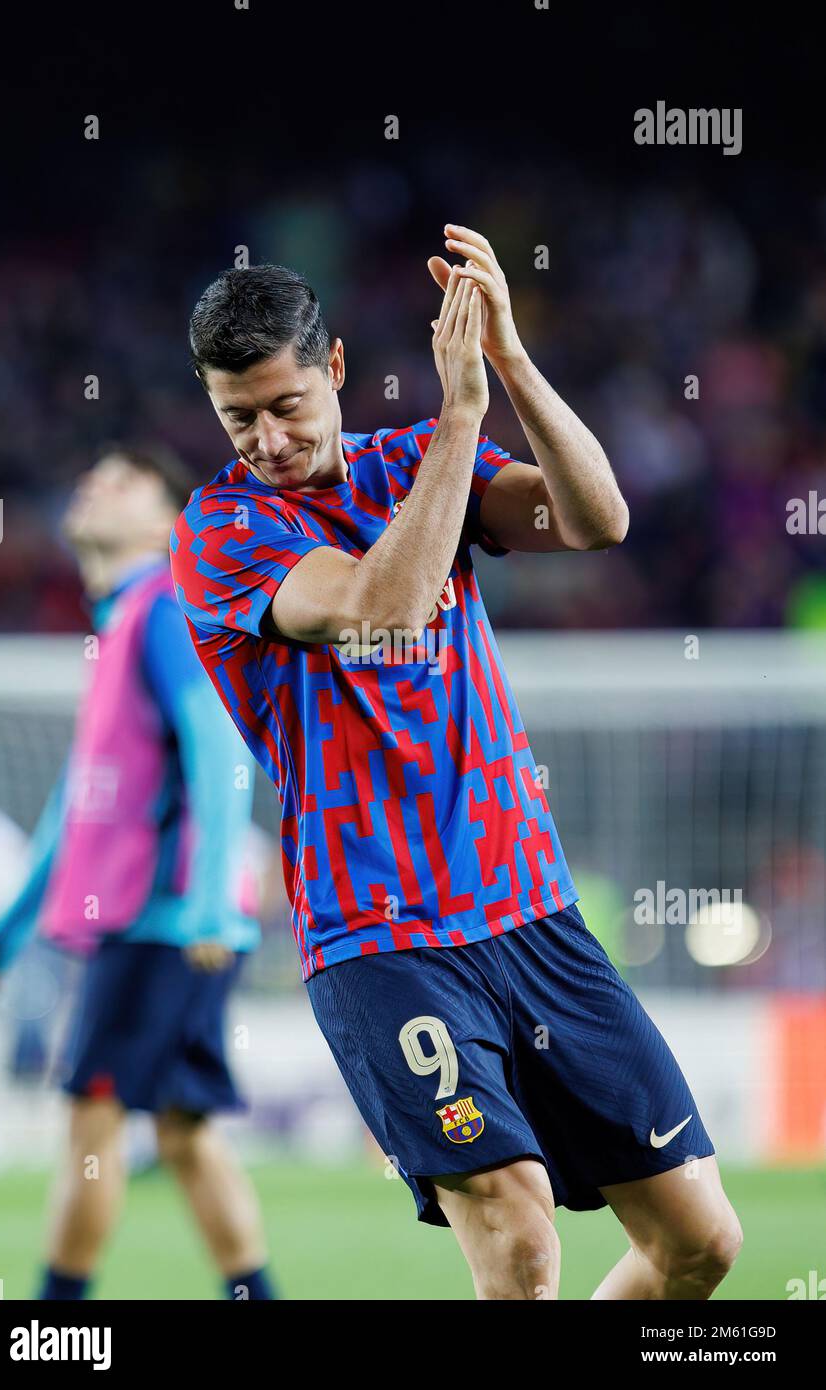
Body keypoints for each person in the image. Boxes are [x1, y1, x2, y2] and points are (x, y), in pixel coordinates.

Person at [169, 228, 743, 1300]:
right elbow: (374, 607)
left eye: (285, 404)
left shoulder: (412, 463)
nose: (265, 438)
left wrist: (509, 368)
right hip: (382, 936)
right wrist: (464, 415)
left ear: (333, 367)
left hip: (528, 908)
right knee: (519, 1242)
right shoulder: (219, 531)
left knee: (699, 1243)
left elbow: (596, 517)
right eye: (235, 416)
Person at [0, 446, 275, 1301]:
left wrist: (211, 905)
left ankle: (54, 1329)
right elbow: (75, 807)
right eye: (89, 474)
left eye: (122, 482)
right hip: (167, 925)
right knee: (184, 1132)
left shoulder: (167, 611)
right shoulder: (123, 623)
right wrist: (5, 934)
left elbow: (221, 756)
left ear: (165, 521)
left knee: (90, 1126)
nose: (92, 485)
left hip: (165, 925)